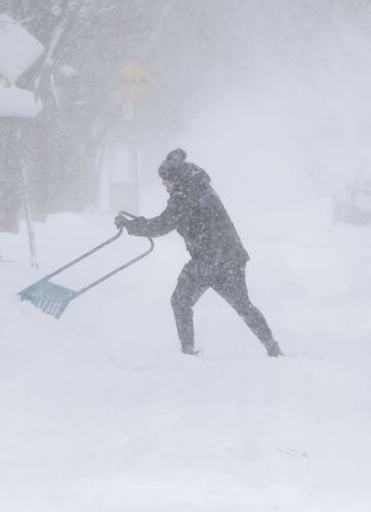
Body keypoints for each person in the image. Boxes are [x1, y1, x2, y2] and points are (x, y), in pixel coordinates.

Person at [117, 149, 282, 357]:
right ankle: (273, 348)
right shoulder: (199, 187)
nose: (163, 184)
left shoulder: (184, 195)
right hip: (231, 257)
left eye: (166, 180)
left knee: (180, 300)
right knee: (244, 306)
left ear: (175, 178)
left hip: (209, 260)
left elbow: (161, 225)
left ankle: (187, 353)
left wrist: (131, 226)